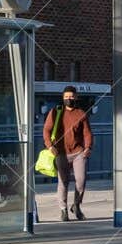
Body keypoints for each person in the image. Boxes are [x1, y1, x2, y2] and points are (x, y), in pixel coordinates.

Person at [44, 86, 94, 220]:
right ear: (62, 98)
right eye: (66, 97)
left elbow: (87, 133)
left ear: (76, 97)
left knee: (81, 181)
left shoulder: (81, 113)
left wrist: (88, 147)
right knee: (63, 181)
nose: (69, 99)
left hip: (78, 152)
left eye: (71, 97)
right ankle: (63, 209)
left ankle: (76, 205)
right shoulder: (55, 112)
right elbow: (46, 130)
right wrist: (49, 146)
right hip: (60, 153)